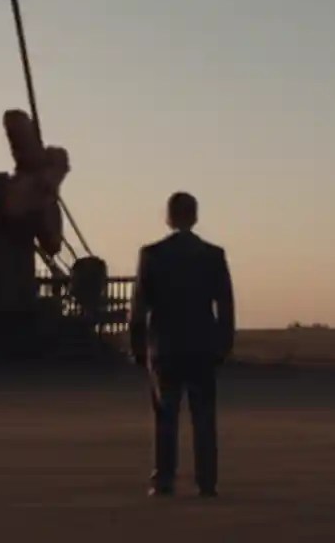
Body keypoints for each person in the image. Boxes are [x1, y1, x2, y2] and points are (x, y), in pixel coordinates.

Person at [130, 192, 235, 498]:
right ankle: (207, 480)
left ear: (169, 217)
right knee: (204, 416)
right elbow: (225, 304)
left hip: (165, 346)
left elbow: (140, 305)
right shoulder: (213, 255)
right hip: (202, 346)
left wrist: (138, 346)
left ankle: (164, 479)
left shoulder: (152, 254)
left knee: (165, 415)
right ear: (195, 216)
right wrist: (224, 343)